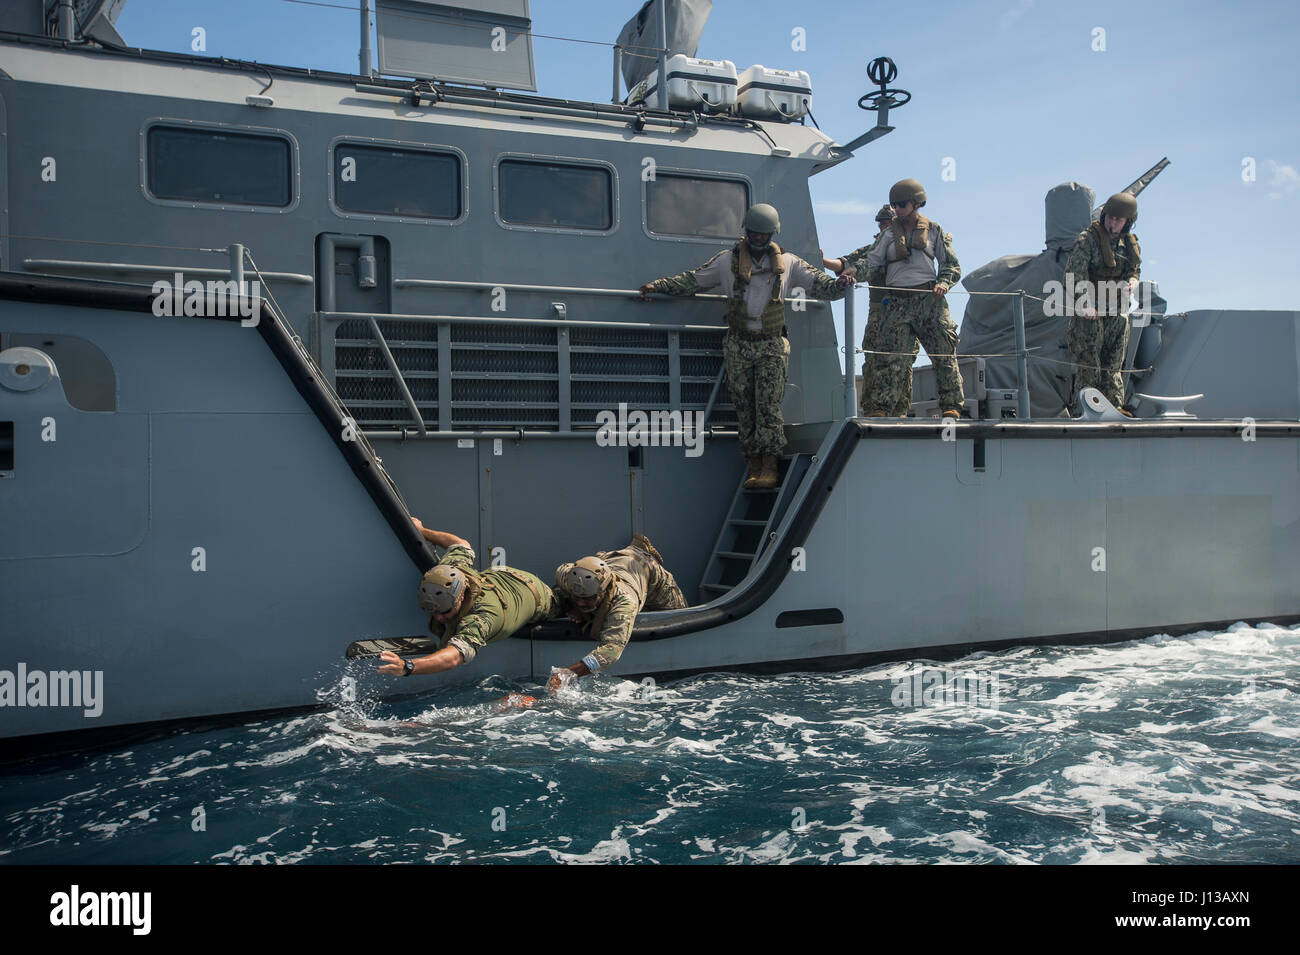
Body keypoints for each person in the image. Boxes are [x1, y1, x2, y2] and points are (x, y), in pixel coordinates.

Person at [639, 203, 852, 490]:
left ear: (772, 234)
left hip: (772, 345)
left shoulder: (788, 263)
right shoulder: (726, 261)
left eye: (763, 235)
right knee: (744, 407)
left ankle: (770, 465)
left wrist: (842, 284)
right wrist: (659, 286)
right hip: (739, 345)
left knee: (768, 406)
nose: (758, 239)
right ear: (746, 232)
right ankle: (754, 464)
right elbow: (692, 280)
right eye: (753, 233)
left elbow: (821, 285)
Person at [841, 179, 964, 418]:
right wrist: (854, 272)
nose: (897, 209)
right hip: (897, 302)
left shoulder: (934, 230)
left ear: (916, 203)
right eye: (894, 204)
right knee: (891, 358)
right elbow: (872, 262)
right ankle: (882, 408)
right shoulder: (888, 235)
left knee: (943, 353)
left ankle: (951, 406)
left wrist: (943, 283)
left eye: (902, 204)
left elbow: (951, 264)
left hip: (929, 300)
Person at [377, 519, 557, 678]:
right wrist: (422, 531)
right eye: (431, 611)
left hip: (539, 595)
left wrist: (408, 667)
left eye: (446, 611)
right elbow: (461, 544)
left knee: (572, 603)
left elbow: (455, 656)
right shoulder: (450, 571)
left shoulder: (482, 616)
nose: (439, 618)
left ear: (461, 597)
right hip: (504, 577)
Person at [547, 534, 686, 692]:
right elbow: (564, 573)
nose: (580, 603)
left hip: (647, 570)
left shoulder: (624, 602)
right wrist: (571, 607)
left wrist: (568, 673)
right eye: (576, 598)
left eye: (587, 599)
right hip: (611, 560)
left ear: (603, 590)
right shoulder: (568, 576)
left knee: (680, 618)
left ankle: (642, 551)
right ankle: (633, 549)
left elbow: (612, 650)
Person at [824, 203, 918, 416]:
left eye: (889, 224)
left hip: (906, 314)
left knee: (902, 363)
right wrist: (821, 260)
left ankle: (898, 414)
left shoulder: (913, 249)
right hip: (879, 316)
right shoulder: (874, 249)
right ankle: (874, 410)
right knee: (874, 361)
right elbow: (846, 263)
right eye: (882, 225)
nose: (884, 229)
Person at [1064, 192, 1141, 416]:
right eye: (1110, 217)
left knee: (1113, 363)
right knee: (1089, 363)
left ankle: (1114, 407)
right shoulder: (1088, 239)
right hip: (1091, 311)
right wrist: (1084, 304)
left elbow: (1133, 270)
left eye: (1119, 219)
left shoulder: (1129, 243)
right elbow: (1073, 275)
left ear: (1128, 222)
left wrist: (1134, 281)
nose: (1113, 222)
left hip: (1117, 310)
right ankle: (1087, 409)